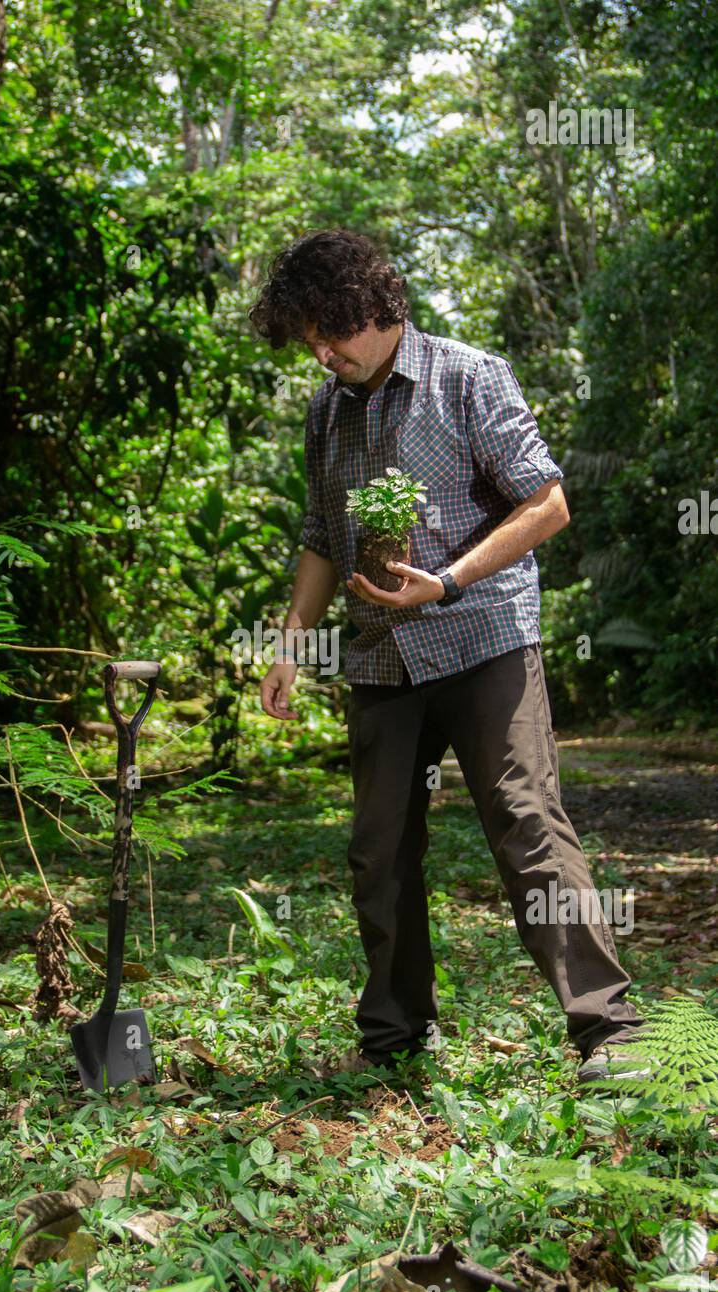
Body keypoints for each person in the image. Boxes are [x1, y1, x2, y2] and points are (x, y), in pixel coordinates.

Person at [249, 228, 647, 1085]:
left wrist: (450, 581)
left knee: (526, 824)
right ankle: (395, 1035)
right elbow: (322, 537)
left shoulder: (469, 375)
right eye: (307, 339)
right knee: (379, 846)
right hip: (381, 654)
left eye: (332, 331)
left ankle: (609, 1031)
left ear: (376, 307)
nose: (322, 353)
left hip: (484, 636)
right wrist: (290, 647)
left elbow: (546, 503)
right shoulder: (327, 410)